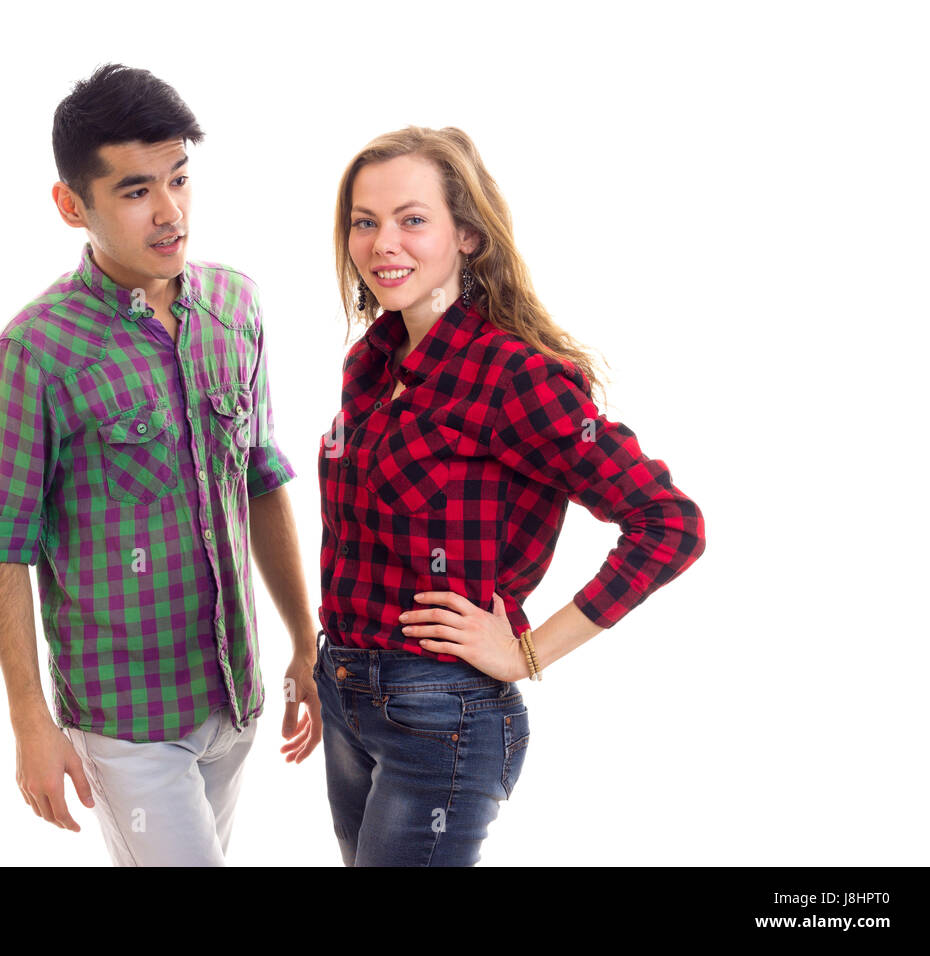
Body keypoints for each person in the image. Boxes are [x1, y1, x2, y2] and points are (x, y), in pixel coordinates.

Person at [302, 126, 706, 866]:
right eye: (365, 222)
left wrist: (527, 652)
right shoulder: (371, 361)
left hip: (441, 714)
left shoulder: (513, 378)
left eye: (412, 220)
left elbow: (668, 525)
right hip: (346, 699)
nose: (383, 242)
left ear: (468, 237)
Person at [0, 63, 322, 866]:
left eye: (180, 179)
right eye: (135, 192)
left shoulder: (236, 306)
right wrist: (29, 721)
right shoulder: (36, 351)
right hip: (126, 718)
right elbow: (4, 544)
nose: (171, 213)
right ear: (71, 205)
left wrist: (305, 637)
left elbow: (261, 480)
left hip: (235, 696)